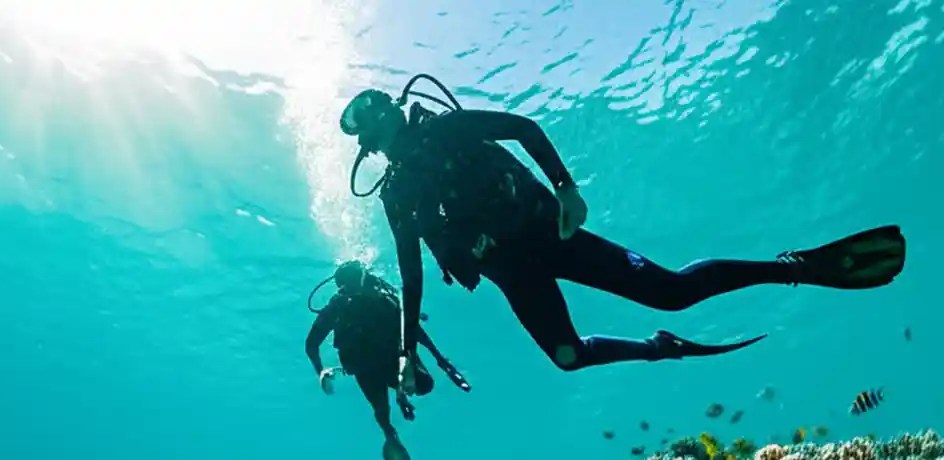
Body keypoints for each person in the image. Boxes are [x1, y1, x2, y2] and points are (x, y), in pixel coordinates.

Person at [337, 75, 907, 396]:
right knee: (567, 356)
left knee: (675, 291)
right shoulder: (396, 194)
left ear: (393, 111)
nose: (388, 127)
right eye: (375, 126)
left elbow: (521, 128)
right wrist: (409, 351)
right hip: (511, 271)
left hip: (549, 231)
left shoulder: (446, 129)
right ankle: (661, 349)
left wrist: (566, 188)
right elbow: (411, 275)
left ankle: (794, 267)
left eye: (383, 112)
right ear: (372, 146)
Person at [305, 260, 470, 460]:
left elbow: (311, 345)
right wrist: (441, 361)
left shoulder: (364, 301)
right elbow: (413, 329)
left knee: (395, 400)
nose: (352, 288)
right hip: (375, 362)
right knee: (391, 401)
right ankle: (394, 420)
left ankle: (395, 415)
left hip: (377, 361)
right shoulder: (354, 303)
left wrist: (319, 371)